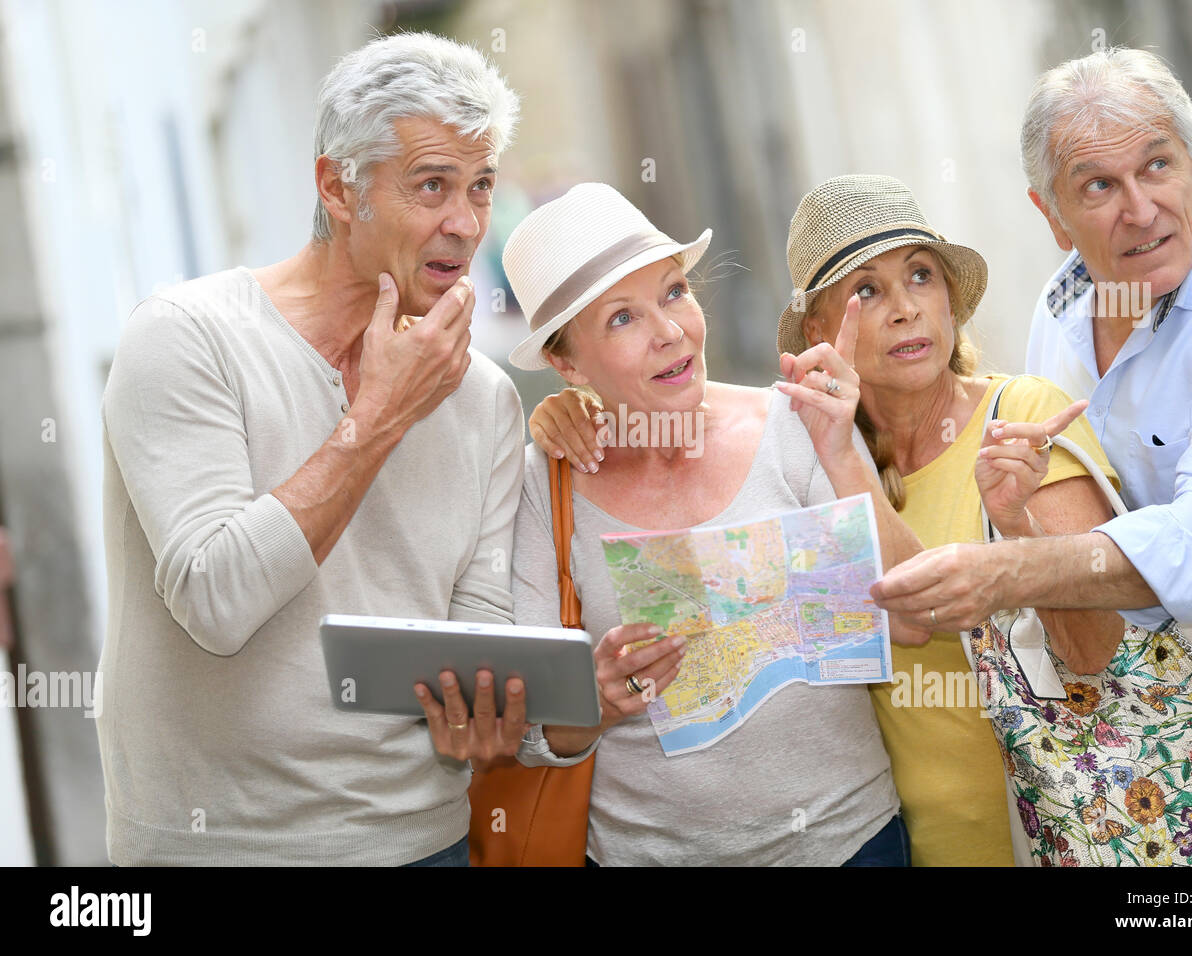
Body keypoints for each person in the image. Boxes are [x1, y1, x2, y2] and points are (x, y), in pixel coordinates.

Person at [527, 176, 1125, 865]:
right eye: (866, 290)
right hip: (915, 835)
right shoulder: (817, 430)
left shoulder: (1007, 420)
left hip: (1046, 820)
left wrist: (1016, 529)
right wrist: (571, 409)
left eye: (922, 276)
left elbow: (1077, 644)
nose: (904, 310)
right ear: (817, 332)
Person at [98, 33, 528, 866]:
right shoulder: (186, 339)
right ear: (338, 186)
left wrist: (487, 718)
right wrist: (381, 416)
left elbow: (476, 634)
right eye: (431, 185)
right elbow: (216, 600)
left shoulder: (484, 397)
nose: (466, 224)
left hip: (423, 843)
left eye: (479, 187)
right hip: (216, 849)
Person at [870, 47, 1192, 741]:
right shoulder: (1062, 305)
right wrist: (1021, 525)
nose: (1140, 209)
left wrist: (1013, 569)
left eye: (1158, 165)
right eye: (1097, 185)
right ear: (1052, 215)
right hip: (1149, 752)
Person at [506, 182, 926, 866]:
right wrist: (598, 700)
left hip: (849, 843)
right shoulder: (540, 487)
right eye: (622, 318)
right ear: (564, 363)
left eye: (674, 291)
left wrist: (842, 456)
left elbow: (917, 618)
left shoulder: (796, 426)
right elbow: (527, 727)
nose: (670, 331)